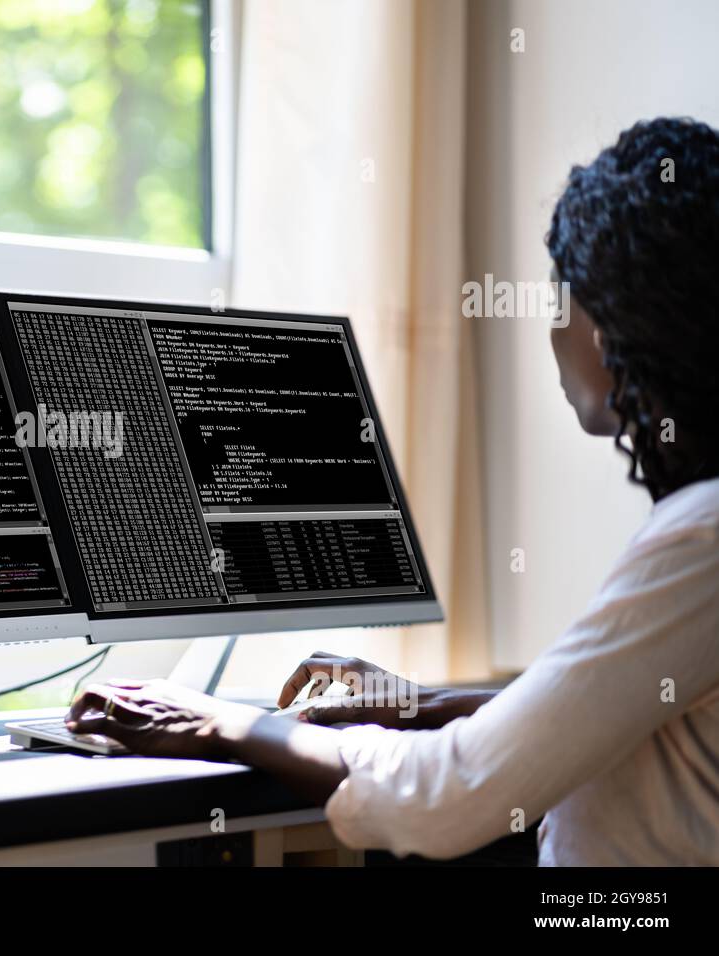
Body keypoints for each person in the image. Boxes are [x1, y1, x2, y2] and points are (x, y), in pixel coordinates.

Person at [66, 117, 719, 866]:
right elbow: (616, 715)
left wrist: (224, 724)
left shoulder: (703, 535)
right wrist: (423, 704)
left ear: (616, 323)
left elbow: (447, 799)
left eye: (562, 291)